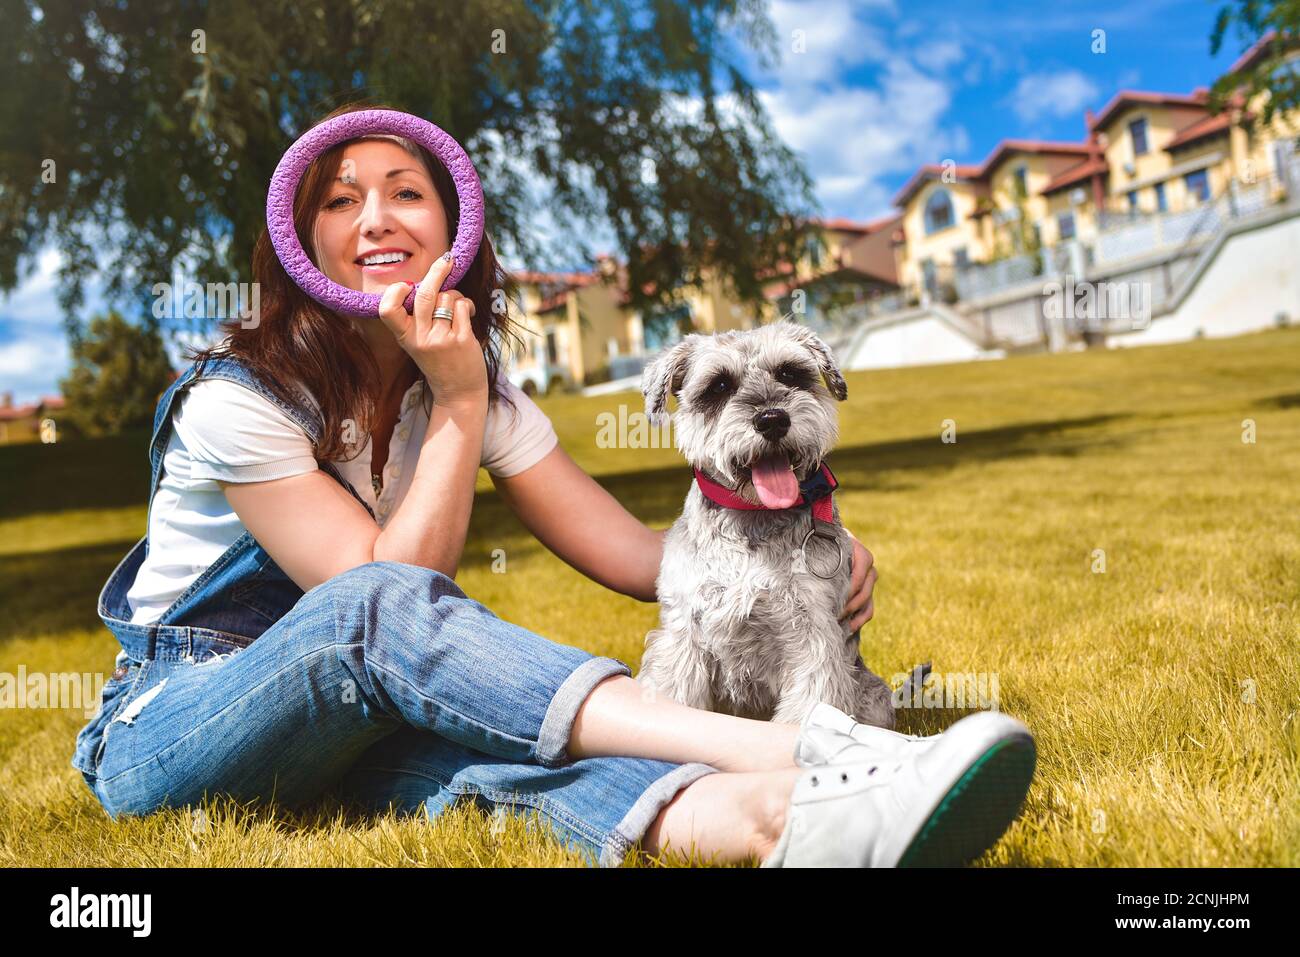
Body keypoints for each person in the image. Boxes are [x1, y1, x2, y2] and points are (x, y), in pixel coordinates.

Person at [71, 101, 1036, 867]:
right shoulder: (239, 398)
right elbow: (382, 594)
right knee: (375, 608)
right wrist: (456, 400)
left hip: (336, 736)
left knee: (511, 760)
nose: (374, 217)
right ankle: (804, 752)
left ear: (453, 223)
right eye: (339, 200)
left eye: (406, 191)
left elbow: (646, 562)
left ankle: (784, 819)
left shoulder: (473, 381)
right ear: (302, 240)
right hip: (177, 728)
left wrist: (800, 536)